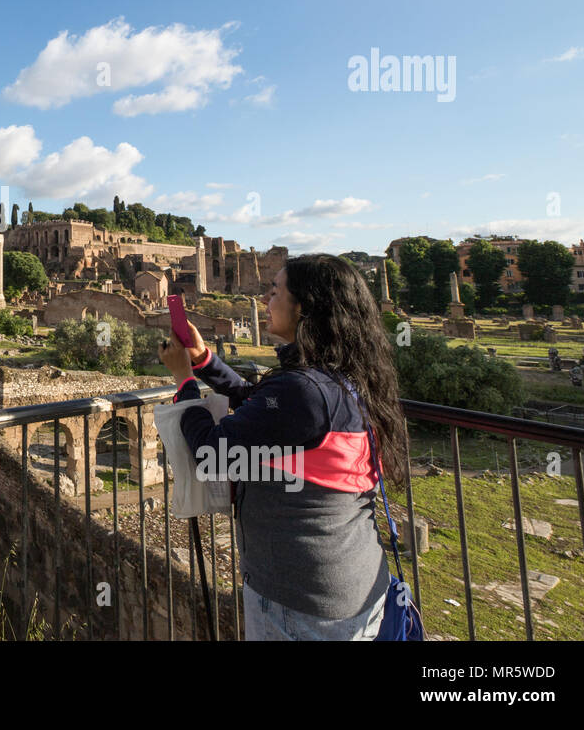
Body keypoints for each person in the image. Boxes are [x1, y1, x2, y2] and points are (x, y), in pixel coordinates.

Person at [160, 254, 407, 641]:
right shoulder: (338, 377)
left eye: (274, 291)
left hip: (303, 602)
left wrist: (183, 379)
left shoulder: (303, 390)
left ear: (303, 307)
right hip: (350, 585)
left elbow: (211, 453)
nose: (265, 300)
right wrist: (204, 359)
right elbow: (261, 403)